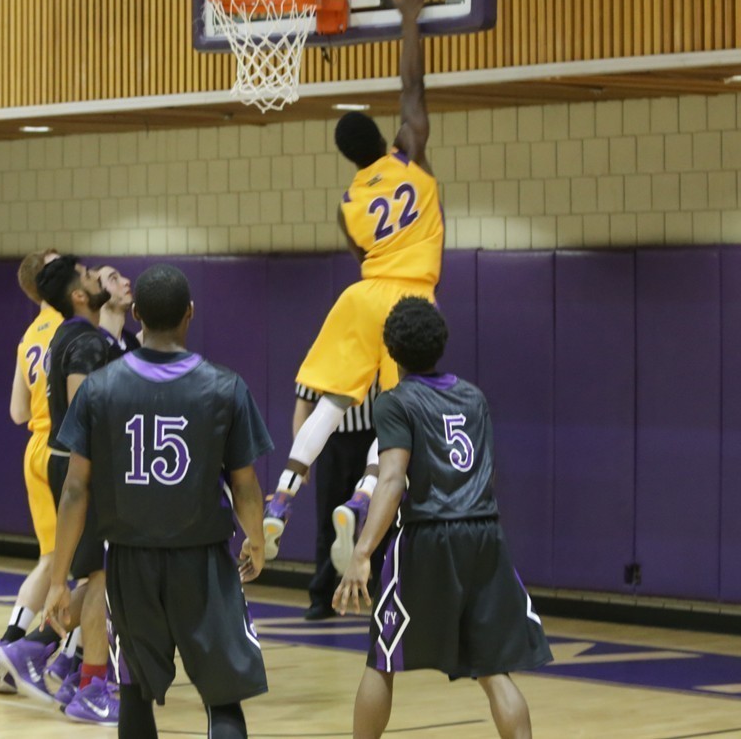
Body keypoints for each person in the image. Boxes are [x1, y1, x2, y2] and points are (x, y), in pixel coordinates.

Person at [44, 263, 273, 739]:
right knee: (222, 697)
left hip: (130, 564)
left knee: (135, 692)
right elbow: (246, 485)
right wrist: (255, 539)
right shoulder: (225, 386)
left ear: (138, 314)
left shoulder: (100, 388)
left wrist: (58, 580)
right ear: (190, 314)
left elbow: (74, 489)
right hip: (204, 563)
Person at [263, 0, 443, 558]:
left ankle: (283, 495)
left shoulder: (348, 204)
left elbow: (363, 256)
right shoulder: (411, 156)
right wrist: (408, 16)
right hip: (409, 298)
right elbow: (412, 89)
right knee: (393, 407)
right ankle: (363, 495)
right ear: (387, 137)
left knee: (335, 402)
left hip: (359, 296)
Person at [334, 298, 551, 739]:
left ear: (391, 351)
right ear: (441, 343)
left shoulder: (396, 402)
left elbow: (393, 479)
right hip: (485, 533)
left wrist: (362, 551)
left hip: (430, 536)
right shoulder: (474, 396)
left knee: (383, 657)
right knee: (494, 669)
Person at [37, 253, 133, 722]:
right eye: (93, 277)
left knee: (99, 575)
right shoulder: (90, 344)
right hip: (83, 469)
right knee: (103, 578)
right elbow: (84, 416)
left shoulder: (67, 336)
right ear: (80, 295)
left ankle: (41, 651)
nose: (99, 279)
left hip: (68, 465)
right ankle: (96, 683)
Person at [0, 249, 69, 696]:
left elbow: (18, 411)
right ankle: (66, 654)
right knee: (88, 568)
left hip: (35, 447)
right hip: (62, 448)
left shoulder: (28, 335)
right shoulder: (71, 326)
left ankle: (11, 643)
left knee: (51, 560)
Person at [292, 382, 375, 620]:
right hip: (331, 441)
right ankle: (322, 598)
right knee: (329, 522)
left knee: (376, 519)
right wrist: (301, 457)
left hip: (372, 436)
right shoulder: (321, 355)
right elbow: (303, 404)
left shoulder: (379, 352)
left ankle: (382, 591)